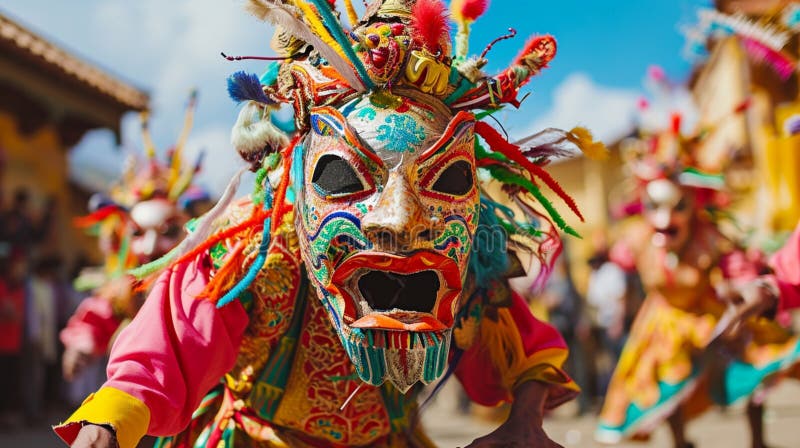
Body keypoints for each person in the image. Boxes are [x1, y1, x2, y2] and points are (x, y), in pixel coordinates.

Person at [54, 1, 607, 446]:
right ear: (297, 179)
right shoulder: (252, 257)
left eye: (445, 181)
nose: (402, 221)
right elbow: (161, 359)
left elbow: (529, 352)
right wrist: (105, 430)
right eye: (345, 179)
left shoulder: (468, 263)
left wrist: (525, 422)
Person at [595, 121, 800, 448]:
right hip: (663, 320)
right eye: (654, 206)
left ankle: (758, 440)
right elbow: (619, 265)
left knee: (756, 358)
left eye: (678, 206)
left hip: (709, 313)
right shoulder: (636, 239)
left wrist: (751, 288)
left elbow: (740, 270)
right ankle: (680, 442)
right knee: (665, 378)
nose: (666, 218)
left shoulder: (709, 238)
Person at [60, 94, 206, 383]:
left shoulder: (201, 285)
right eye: (138, 233)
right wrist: (82, 344)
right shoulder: (127, 291)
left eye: (167, 232)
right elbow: (98, 316)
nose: (150, 248)